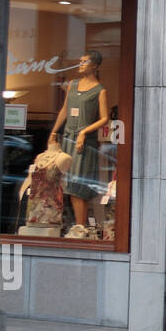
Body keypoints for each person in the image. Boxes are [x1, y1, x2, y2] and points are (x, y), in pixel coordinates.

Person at [49, 51, 110, 230]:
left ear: (95, 66)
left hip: (84, 143)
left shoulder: (100, 90)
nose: (80, 64)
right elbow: (64, 111)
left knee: (78, 185)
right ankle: (77, 226)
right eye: (80, 61)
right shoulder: (72, 85)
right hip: (68, 138)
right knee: (67, 184)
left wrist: (84, 132)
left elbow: (104, 118)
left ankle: (80, 227)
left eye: (85, 62)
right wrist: (54, 132)